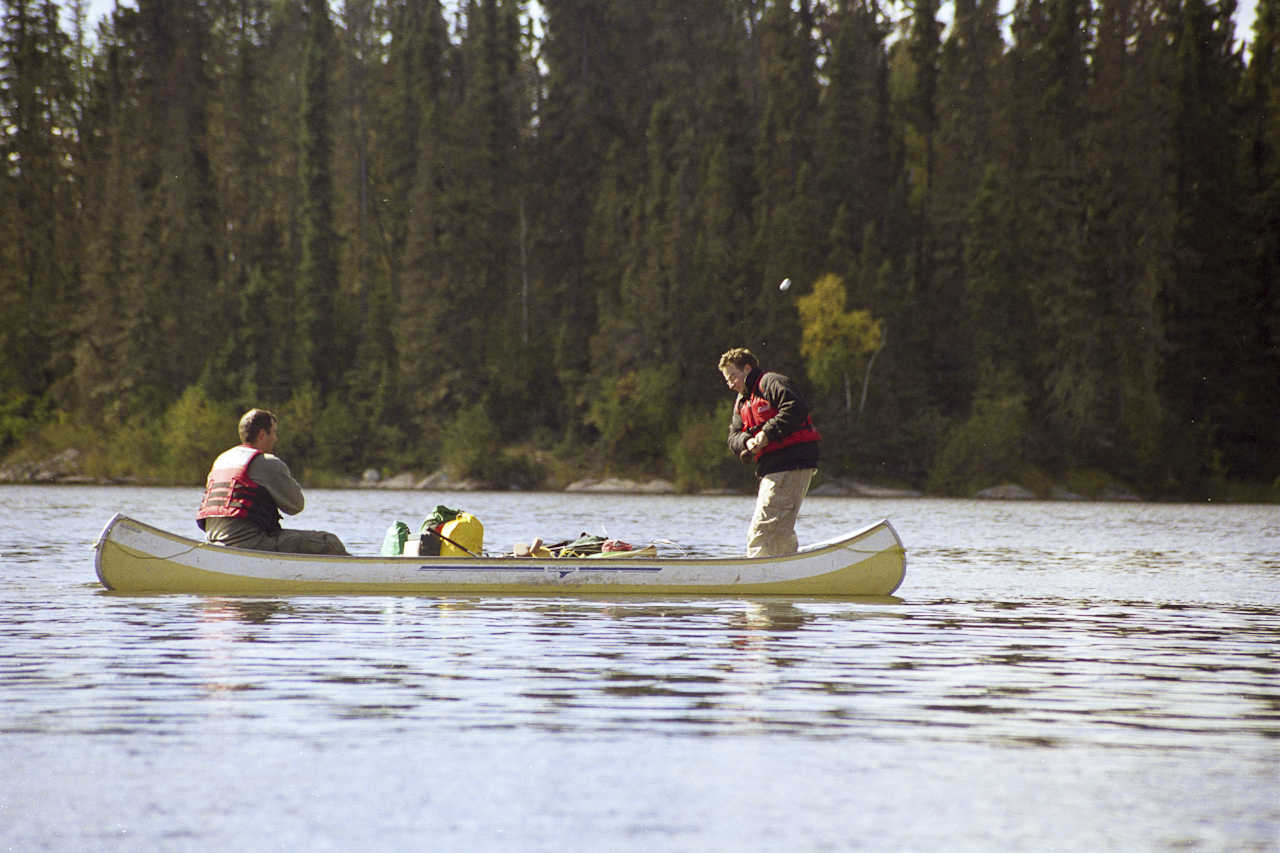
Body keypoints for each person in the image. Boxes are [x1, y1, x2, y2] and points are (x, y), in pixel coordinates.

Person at [196, 409, 349, 555]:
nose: (276, 438)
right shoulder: (268, 462)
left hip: (214, 543)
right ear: (262, 434)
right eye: (274, 432)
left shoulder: (222, 460)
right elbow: (296, 506)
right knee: (328, 543)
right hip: (248, 545)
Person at [719, 347, 821, 557]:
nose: (731, 384)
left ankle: (756, 582)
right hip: (773, 468)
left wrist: (766, 433)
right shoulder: (742, 402)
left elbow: (796, 407)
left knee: (762, 532)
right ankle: (792, 576)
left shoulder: (771, 382)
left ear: (747, 369)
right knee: (780, 533)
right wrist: (747, 442)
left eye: (733, 377)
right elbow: (733, 437)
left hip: (790, 463)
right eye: (727, 380)